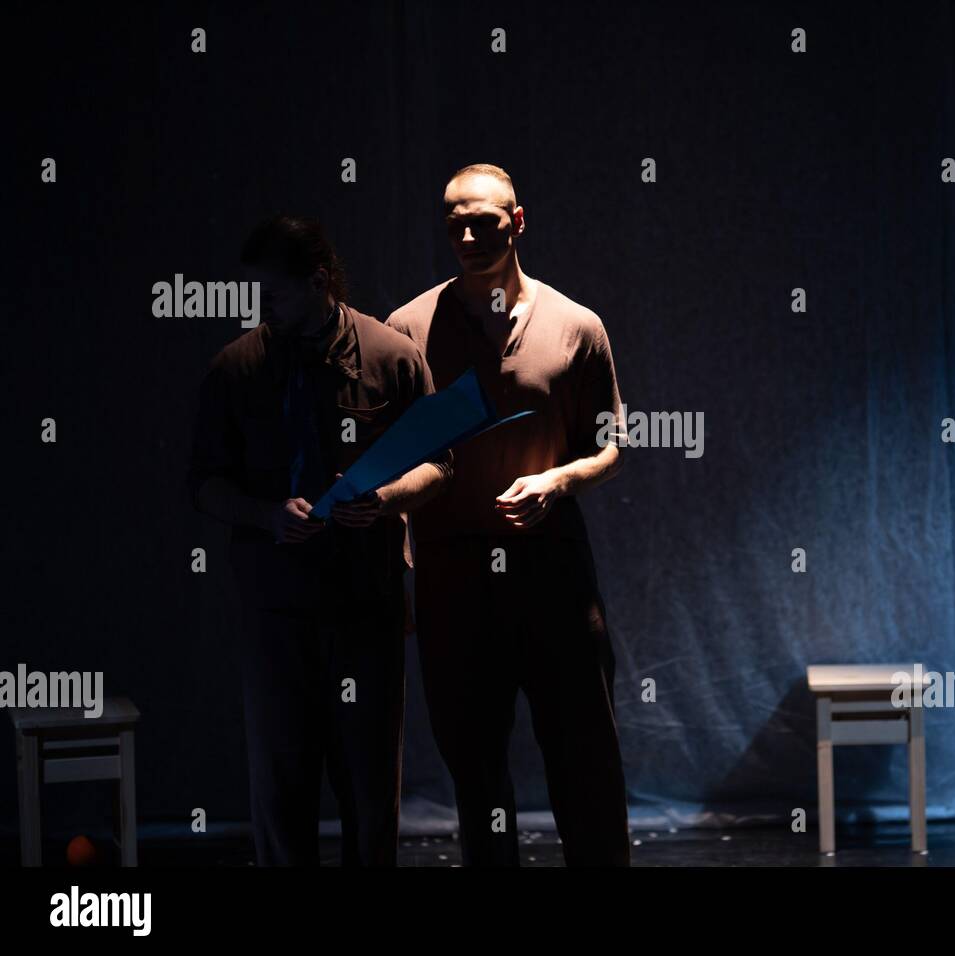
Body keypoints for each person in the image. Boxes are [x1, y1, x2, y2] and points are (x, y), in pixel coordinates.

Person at [188, 215, 451, 865]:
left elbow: (441, 462)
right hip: (276, 616)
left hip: (368, 609)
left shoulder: (392, 357)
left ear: (318, 281)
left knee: (369, 791)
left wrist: (383, 500)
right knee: (281, 790)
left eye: (272, 294)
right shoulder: (235, 369)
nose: (260, 309)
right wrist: (264, 513)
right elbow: (205, 484)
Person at [388, 164, 631, 866]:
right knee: (476, 771)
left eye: (483, 221)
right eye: (454, 221)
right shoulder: (409, 329)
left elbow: (611, 448)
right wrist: (402, 563)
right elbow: (395, 460)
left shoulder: (575, 326)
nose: (466, 234)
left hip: (551, 569)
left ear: (517, 221)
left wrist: (557, 481)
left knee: (585, 757)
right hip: (452, 574)